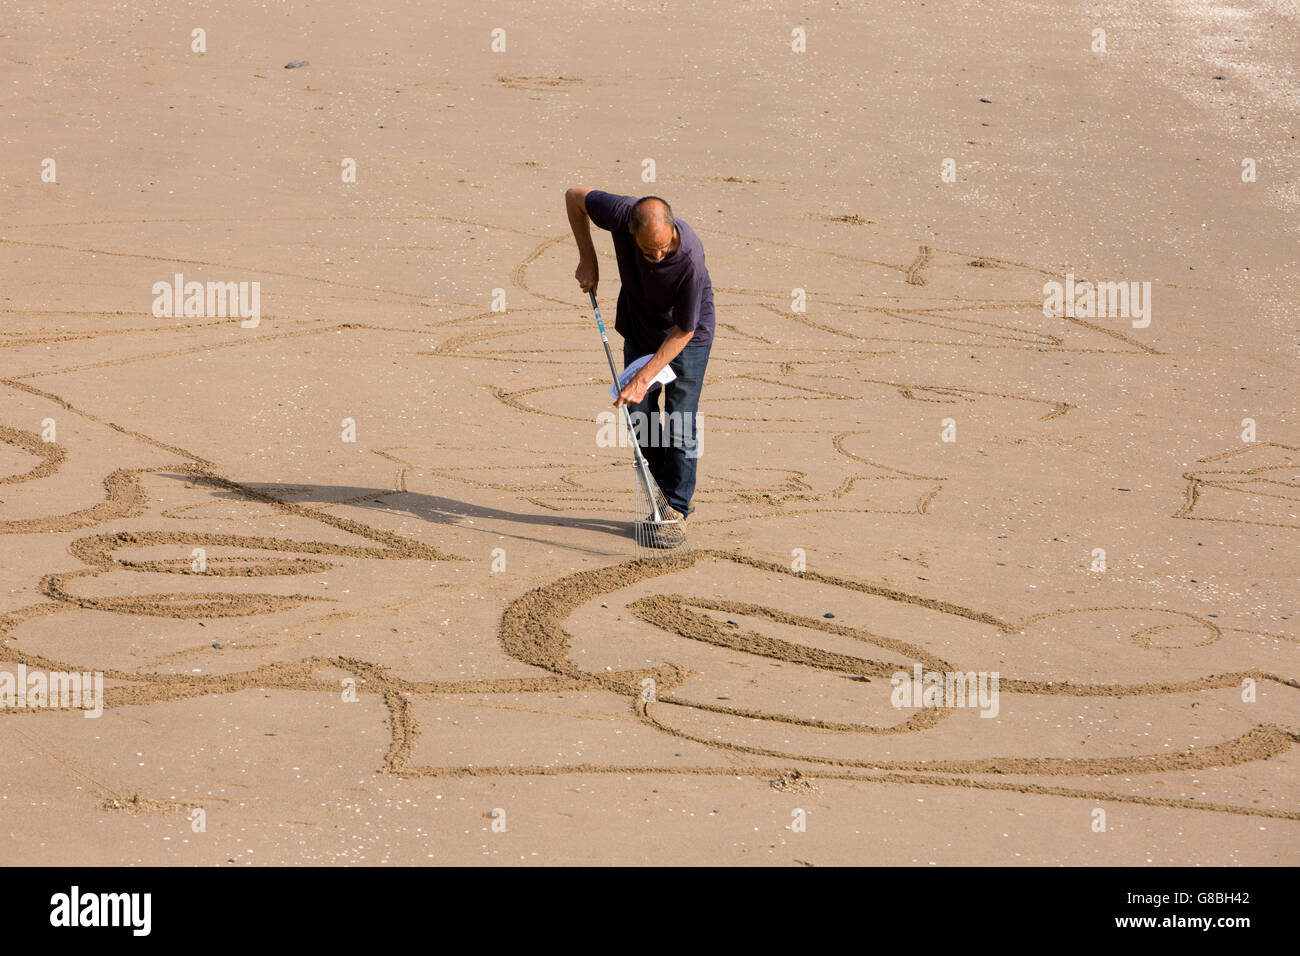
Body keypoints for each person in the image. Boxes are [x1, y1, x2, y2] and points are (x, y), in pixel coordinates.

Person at [564, 187, 714, 524]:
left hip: (687, 338)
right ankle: (664, 493)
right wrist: (588, 256)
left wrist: (642, 379)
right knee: (641, 421)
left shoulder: (690, 258)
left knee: (679, 423)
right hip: (640, 328)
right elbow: (574, 197)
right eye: (649, 249)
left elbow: (684, 330)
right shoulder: (619, 213)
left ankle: (676, 507)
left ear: (673, 229)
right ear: (631, 231)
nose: (659, 254)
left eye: (664, 246)